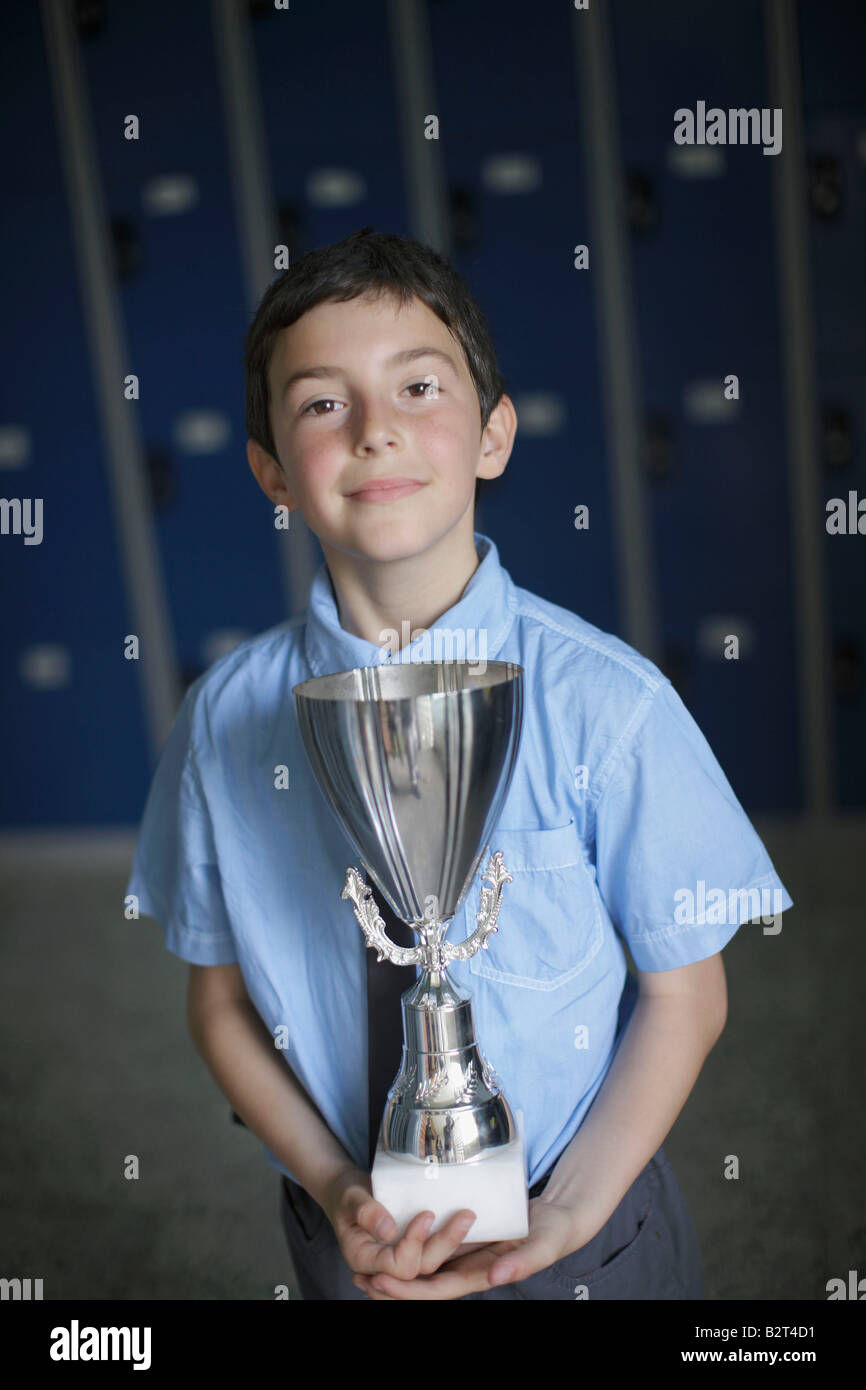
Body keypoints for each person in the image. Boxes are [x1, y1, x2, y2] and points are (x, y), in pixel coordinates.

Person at [126, 227, 793, 1300]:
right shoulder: (223, 720)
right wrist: (339, 1184)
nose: (375, 431)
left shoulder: (605, 702)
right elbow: (219, 1002)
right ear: (271, 474)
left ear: (492, 436)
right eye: (320, 404)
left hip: (581, 1224)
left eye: (418, 387)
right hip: (347, 1235)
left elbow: (686, 997)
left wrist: (570, 1211)